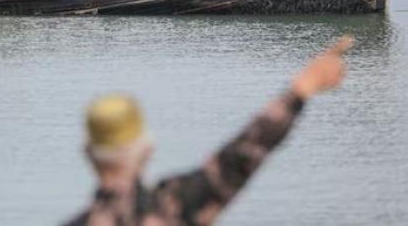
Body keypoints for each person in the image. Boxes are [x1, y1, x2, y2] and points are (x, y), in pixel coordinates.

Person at [65, 36, 354, 226]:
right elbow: (242, 155)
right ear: (147, 149)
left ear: (89, 156)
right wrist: (303, 87)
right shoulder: (173, 206)